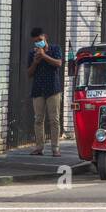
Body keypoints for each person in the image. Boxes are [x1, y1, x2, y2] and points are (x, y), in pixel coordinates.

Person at [27, 26, 63, 156]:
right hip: (38, 89)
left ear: (45, 37)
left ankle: (55, 148)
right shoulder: (32, 54)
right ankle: (39, 147)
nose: (38, 43)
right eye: (36, 41)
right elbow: (29, 73)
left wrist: (44, 56)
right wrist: (35, 62)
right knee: (38, 119)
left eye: (40, 40)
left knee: (54, 120)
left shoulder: (55, 49)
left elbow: (59, 63)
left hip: (53, 89)